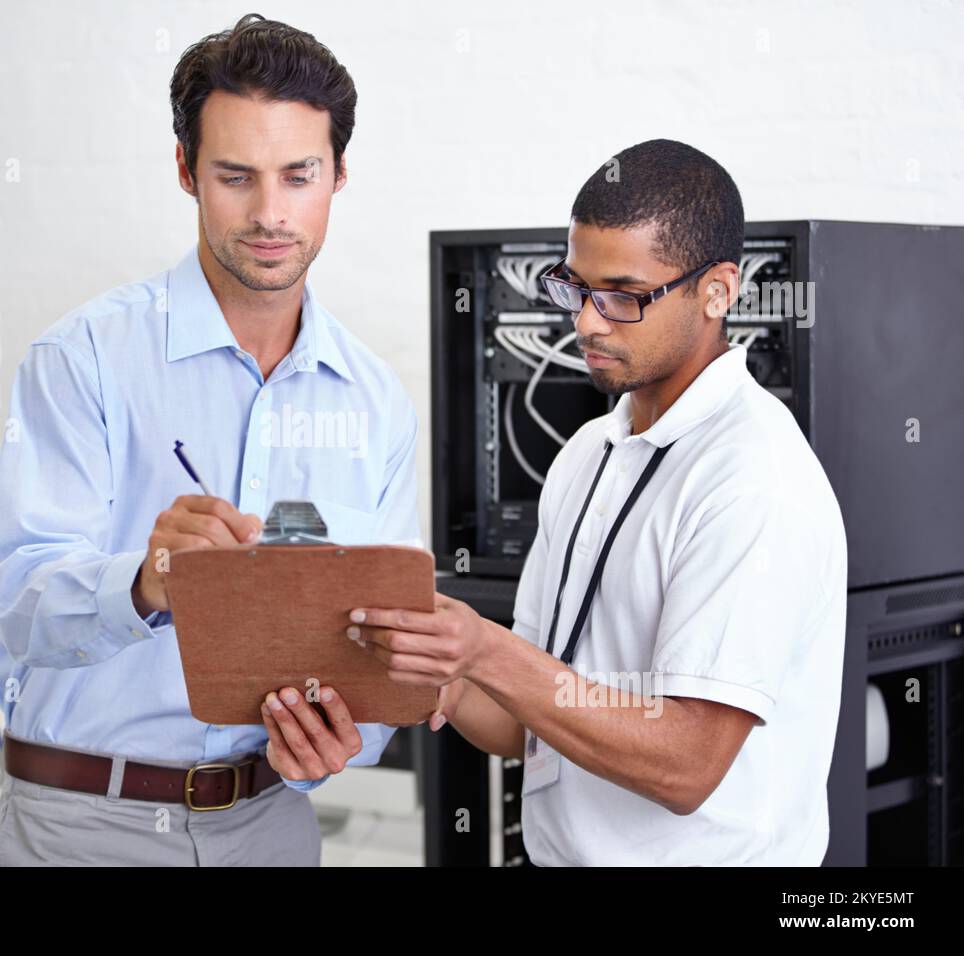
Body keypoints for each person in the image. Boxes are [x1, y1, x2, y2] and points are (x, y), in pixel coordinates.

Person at [0, 14, 422, 866]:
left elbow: (381, 650)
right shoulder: (83, 360)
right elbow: (18, 593)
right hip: (84, 823)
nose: (269, 213)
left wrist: (343, 742)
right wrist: (146, 581)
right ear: (186, 171)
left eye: (299, 176)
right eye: (234, 176)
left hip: (272, 825)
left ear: (338, 175)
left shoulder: (376, 402)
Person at [345, 140, 847, 865]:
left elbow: (686, 765)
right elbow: (530, 725)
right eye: (573, 288)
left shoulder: (753, 477)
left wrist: (488, 649)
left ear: (718, 291)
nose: (585, 322)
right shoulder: (588, 452)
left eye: (622, 295)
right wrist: (443, 677)